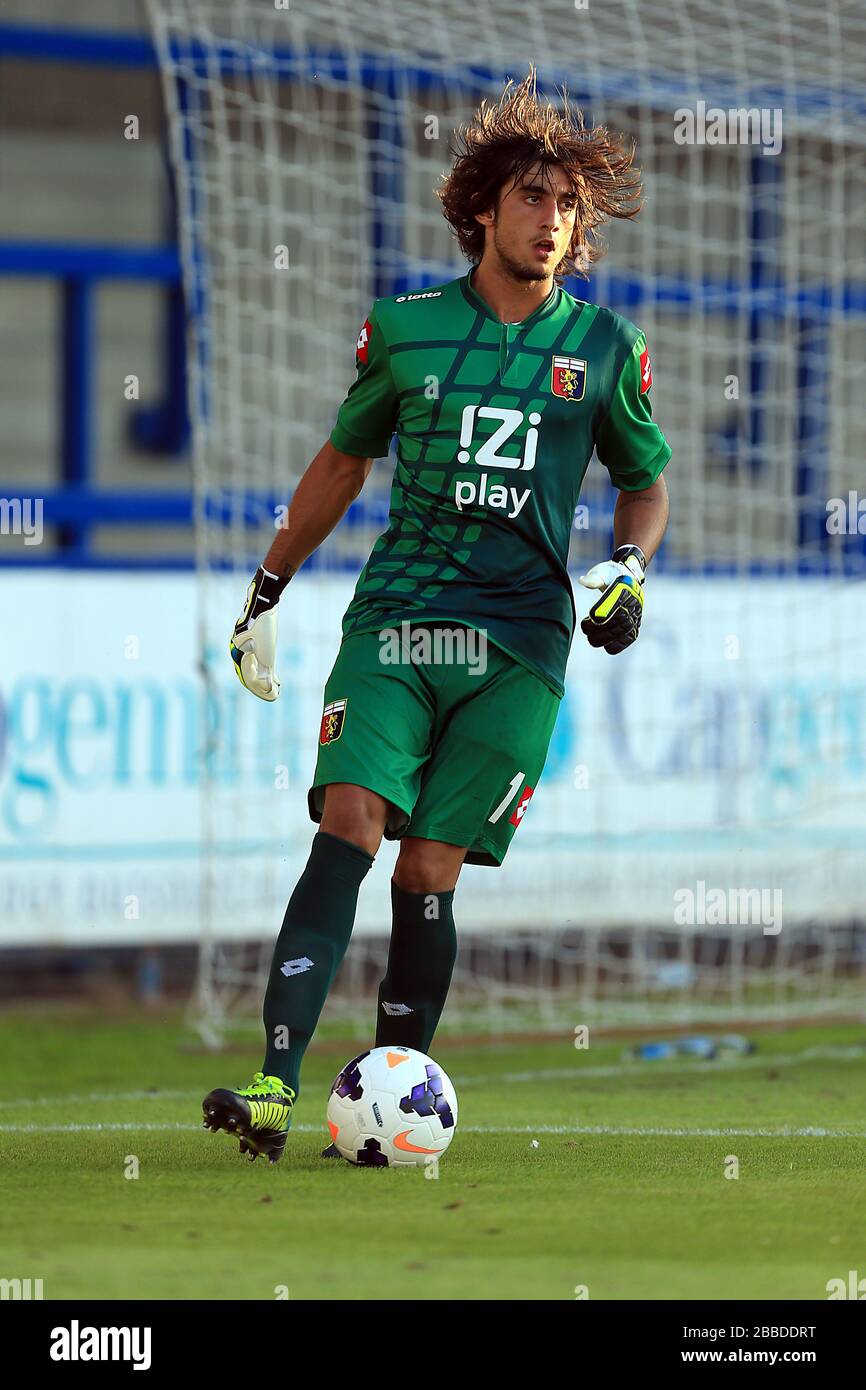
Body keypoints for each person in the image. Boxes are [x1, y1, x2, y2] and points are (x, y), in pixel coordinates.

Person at [202, 67, 670, 1163]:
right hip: (399, 623)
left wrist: (629, 568)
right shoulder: (404, 330)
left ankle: (385, 1102)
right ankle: (273, 1091)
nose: (550, 221)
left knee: (427, 872)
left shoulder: (602, 349)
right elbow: (340, 459)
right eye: (531, 199)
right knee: (351, 821)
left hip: (518, 646)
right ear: (481, 210)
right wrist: (266, 586)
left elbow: (643, 480)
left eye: (566, 206)